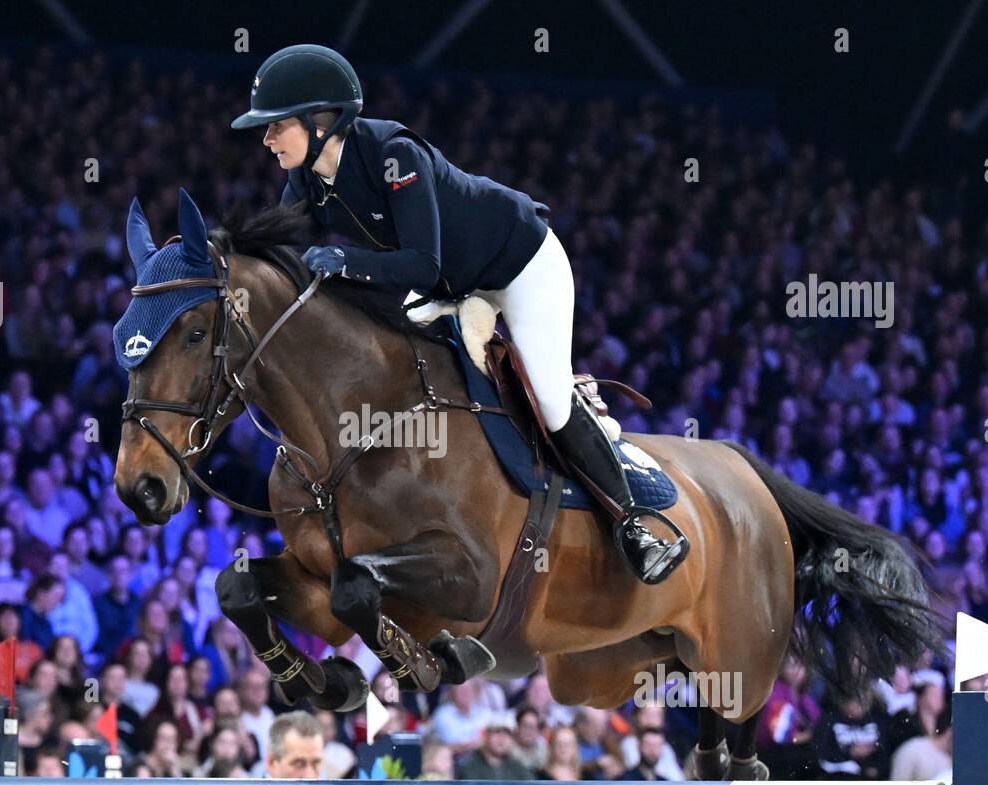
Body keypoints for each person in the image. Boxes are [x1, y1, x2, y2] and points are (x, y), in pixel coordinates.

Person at [229, 43, 687, 584]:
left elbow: (423, 263)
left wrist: (345, 259)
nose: (265, 138)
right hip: (451, 286)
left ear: (319, 122)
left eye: (275, 126)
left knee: (549, 398)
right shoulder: (307, 179)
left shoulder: (393, 154)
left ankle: (633, 522)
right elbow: (279, 254)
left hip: (518, 267)